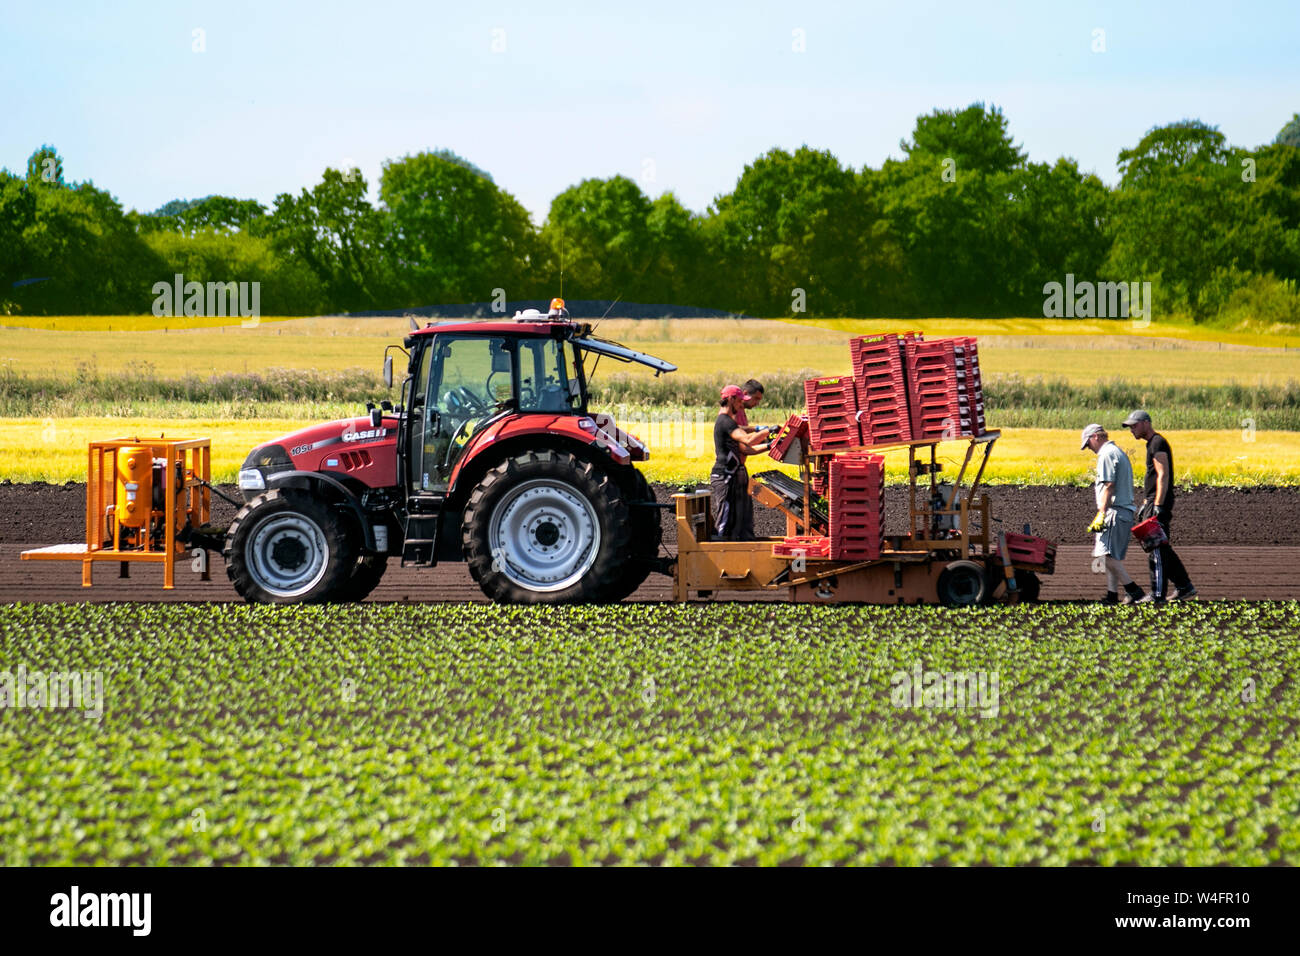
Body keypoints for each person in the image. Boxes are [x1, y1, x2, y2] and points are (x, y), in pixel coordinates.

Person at [1123, 410, 1197, 601]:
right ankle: (1184, 586)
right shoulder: (1152, 444)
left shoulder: (1157, 442)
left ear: (1146, 423)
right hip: (1153, 501)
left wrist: (1158, 505)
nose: (1132, 430)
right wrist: (1146, 503)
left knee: (1155, 548)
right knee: (1162, 548)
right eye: (1130, 427)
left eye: (1134, 425)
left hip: (1158, 502)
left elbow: (1163, 474)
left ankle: (1157, 594)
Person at [1081, 424, 1148, 604]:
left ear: (1095, 437)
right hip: (1122, 511)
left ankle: (1136, 592)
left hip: (1114, 511)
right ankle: (1112, 595)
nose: (1089, 449)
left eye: (1088, 444)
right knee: (1111, 556)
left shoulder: (1106, 454)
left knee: (1105, 556)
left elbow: (1109, 486)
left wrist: (1101, 513)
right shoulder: (1116, 452)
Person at [712, 385, 773, 540]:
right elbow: (747, 440)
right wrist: (768, 431)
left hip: (734, 475)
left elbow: (747, 450)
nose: (741, 406)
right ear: (731, 399)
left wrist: (770, 445)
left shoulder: (729, 421)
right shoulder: (725, 422)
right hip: (725, 476)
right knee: (725, 521)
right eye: (739, 401)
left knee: (739, 519)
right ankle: (719, 553)